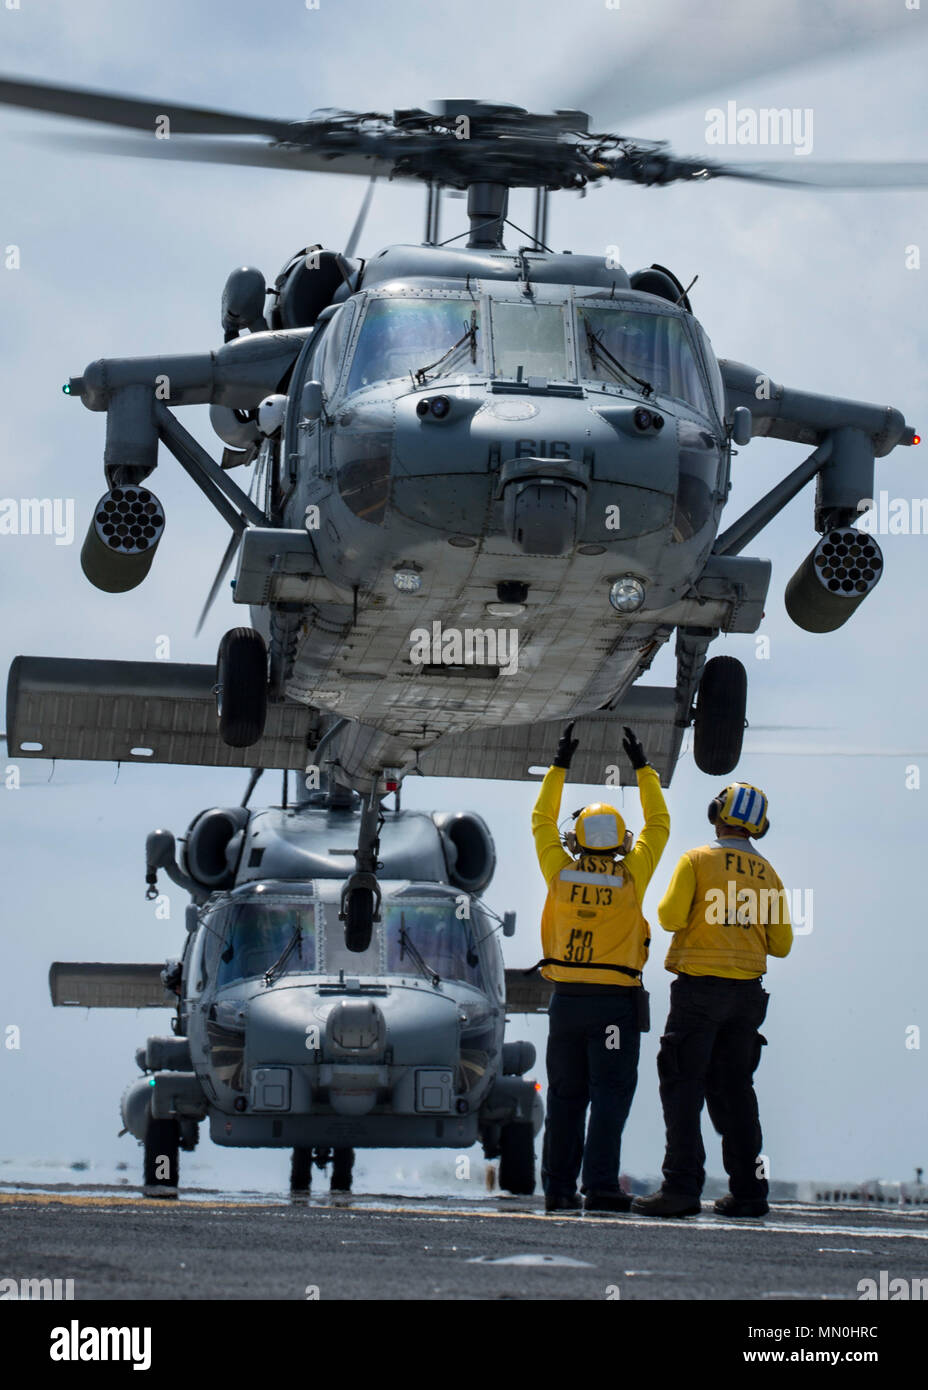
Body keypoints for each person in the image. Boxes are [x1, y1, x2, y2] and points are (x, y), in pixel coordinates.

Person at [632, 782, 792, 1220]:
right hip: (746, 998)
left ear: (715, 813)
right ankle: (750, 1194)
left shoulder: (697, 860)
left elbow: (668, 916)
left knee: (683, 1088)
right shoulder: (770, 874)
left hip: (698, 992)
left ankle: (682, 1188)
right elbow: (781, 945)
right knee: (737, 1092)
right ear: (759, 826)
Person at [532, 722, 670, 1214]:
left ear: (577, 838)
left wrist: (559, 763)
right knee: (609, 1095)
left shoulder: (559, 870)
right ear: (619, 839)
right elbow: (659, 826)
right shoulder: (631, 874)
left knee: (566, 1098)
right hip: (613, 1007)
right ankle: (602, 1186)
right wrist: (643, 768)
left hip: (566, 1004)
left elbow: (540, 822)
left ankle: (558, 1189)